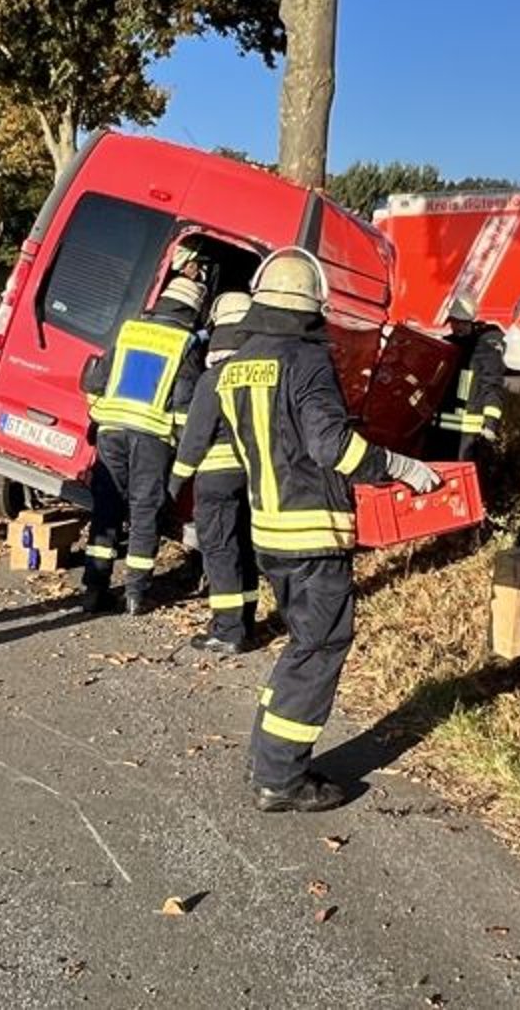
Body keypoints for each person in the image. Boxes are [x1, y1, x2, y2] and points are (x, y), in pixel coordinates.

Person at [217, 248, 440, 812]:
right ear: (312, 304)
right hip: (312, 533)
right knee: (320, 647)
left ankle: (266, 757)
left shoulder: (237, 363)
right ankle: (282, 779)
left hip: (268, 531)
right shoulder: (304, 359)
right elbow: (328, 445)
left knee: (302, 646)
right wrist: (401, 467)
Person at [80, 276, 207, 615]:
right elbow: (184, 403)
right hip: (152, 439)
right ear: (193, 310)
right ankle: (136, 594)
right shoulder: (186, 342)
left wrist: (97, 419)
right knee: (144, 512)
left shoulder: (130, 329)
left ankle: (94, 588)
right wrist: (183, 447)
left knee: (106, 510)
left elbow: (95, 380)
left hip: (111, 431)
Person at [170, 291, 259, 653]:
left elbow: (194, 440)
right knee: (243, 548)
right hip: (253, 478)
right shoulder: (262, 375)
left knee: (220, 550)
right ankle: (245, 621)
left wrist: (174, 484)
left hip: (217, 479)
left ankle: (227, 630)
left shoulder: (214, 379)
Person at [430, 289, 507, 463]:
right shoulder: (444, 346)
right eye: (454, 322)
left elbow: (492, 387)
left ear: (470, 322)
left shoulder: (486, 351)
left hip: (468, 434)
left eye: (461, 322)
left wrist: (491, 424)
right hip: (439, 432)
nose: (456, 327)